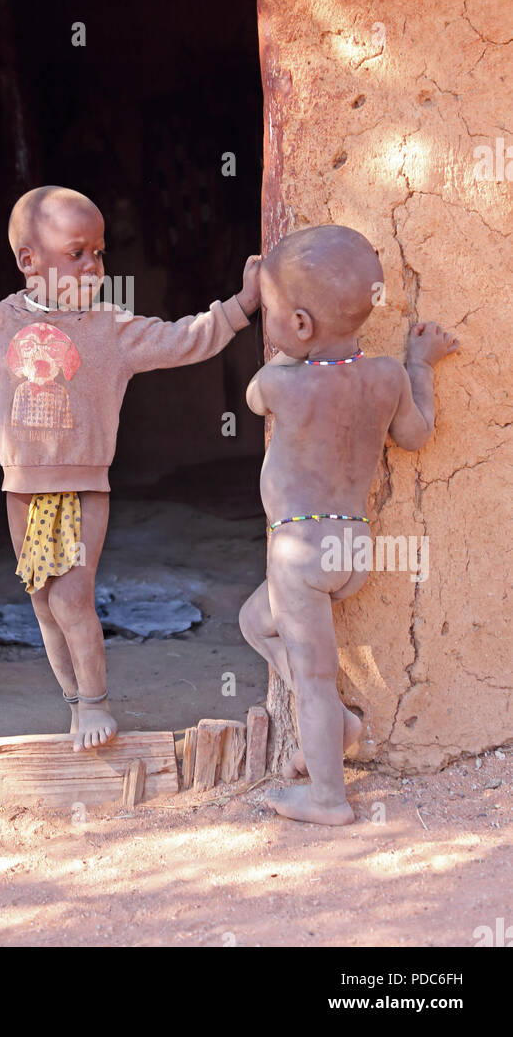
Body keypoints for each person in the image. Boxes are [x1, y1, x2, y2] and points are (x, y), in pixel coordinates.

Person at [0, 185, 260, 749]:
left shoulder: (110, 327)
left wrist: (243, 305)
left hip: (81, 490)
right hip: (21, 492)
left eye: (99, 252)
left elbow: (183, 339)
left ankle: (97, 703)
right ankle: (75, 704)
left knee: (72, 598)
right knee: (44, 605)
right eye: (77, 252)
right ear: (29, 261)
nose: (94, 264)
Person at [238, 225, 459, 823]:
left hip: (299, 552)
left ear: (301, 326)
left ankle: (328, 797)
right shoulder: (386, 377)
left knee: (312, 676)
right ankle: (339, 726)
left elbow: (256, 396)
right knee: (255, 622)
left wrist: (281, 334)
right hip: (351, 547)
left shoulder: (281, 383)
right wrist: (421, 365)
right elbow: (416, 436)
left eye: (274, 314)